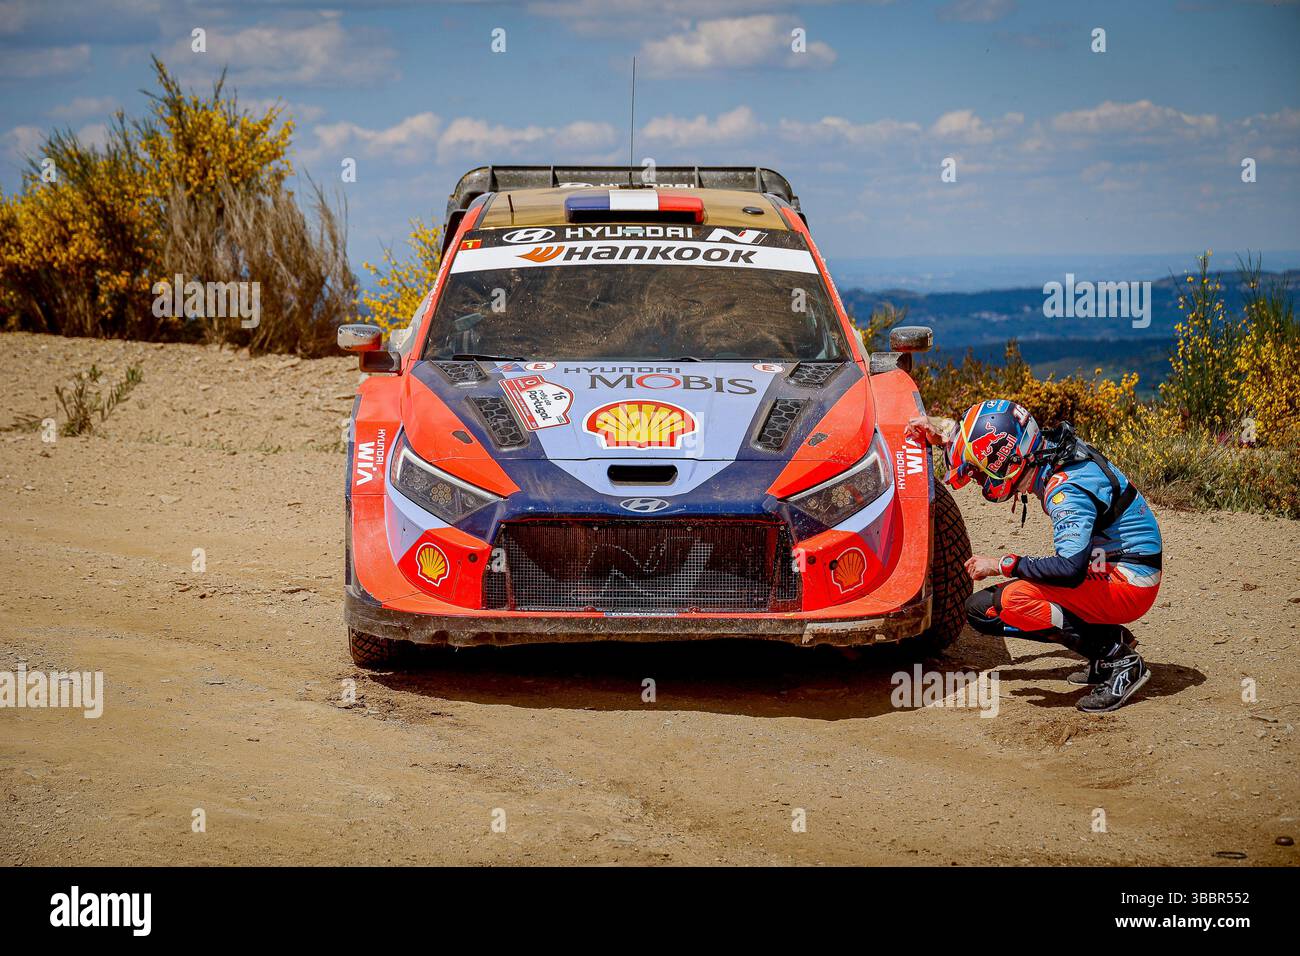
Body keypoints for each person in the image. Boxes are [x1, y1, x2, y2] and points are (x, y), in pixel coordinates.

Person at [906, 400, 1163, 713]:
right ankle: (1107, 641)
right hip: (1116, 567)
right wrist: (945, 432)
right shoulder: (1050, 451)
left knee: (1013, 601)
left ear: (1004, 463)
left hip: (1127, 581)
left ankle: (1120, 660)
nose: (978, 480)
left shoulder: (1064, 490)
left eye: (978, 472)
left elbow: (1070, 569)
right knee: (981, 611)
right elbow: (999, 433)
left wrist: (1004, 564)